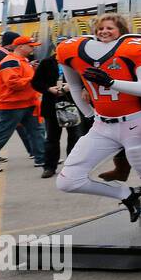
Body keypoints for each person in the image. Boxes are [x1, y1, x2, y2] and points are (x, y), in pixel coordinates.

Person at [53, 15, 141, 223]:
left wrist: (111, 82)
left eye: (110, 28)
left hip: (134, 123)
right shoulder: (72, 50)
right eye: (100, 28)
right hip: (102, 124)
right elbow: (75, 86)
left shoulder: (135, 47)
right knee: (67, 181)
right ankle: (127, 195)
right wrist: (89, 114)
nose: (104, 31)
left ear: (121, 30)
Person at [0, 36, 45, 173]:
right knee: (2, 133)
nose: (33, 48)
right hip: (13, 104)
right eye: (31, 46)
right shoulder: (11, 62)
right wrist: (34, 77)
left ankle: (41, 157)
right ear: (20, 47)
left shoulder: (21, 61)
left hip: (26, 102)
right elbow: (14, 84)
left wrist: (33, 71)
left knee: (36, 130)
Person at [31, 40, 85, 178]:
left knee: (75, 137)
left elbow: (85, 81)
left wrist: (71, 87)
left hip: (72, 104)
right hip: (51, 105)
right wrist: (49, 89)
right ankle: (49, 167)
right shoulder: (47, 63)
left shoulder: (75, 62)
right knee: (52, 138)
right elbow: (36, 82)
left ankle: (72, 167)